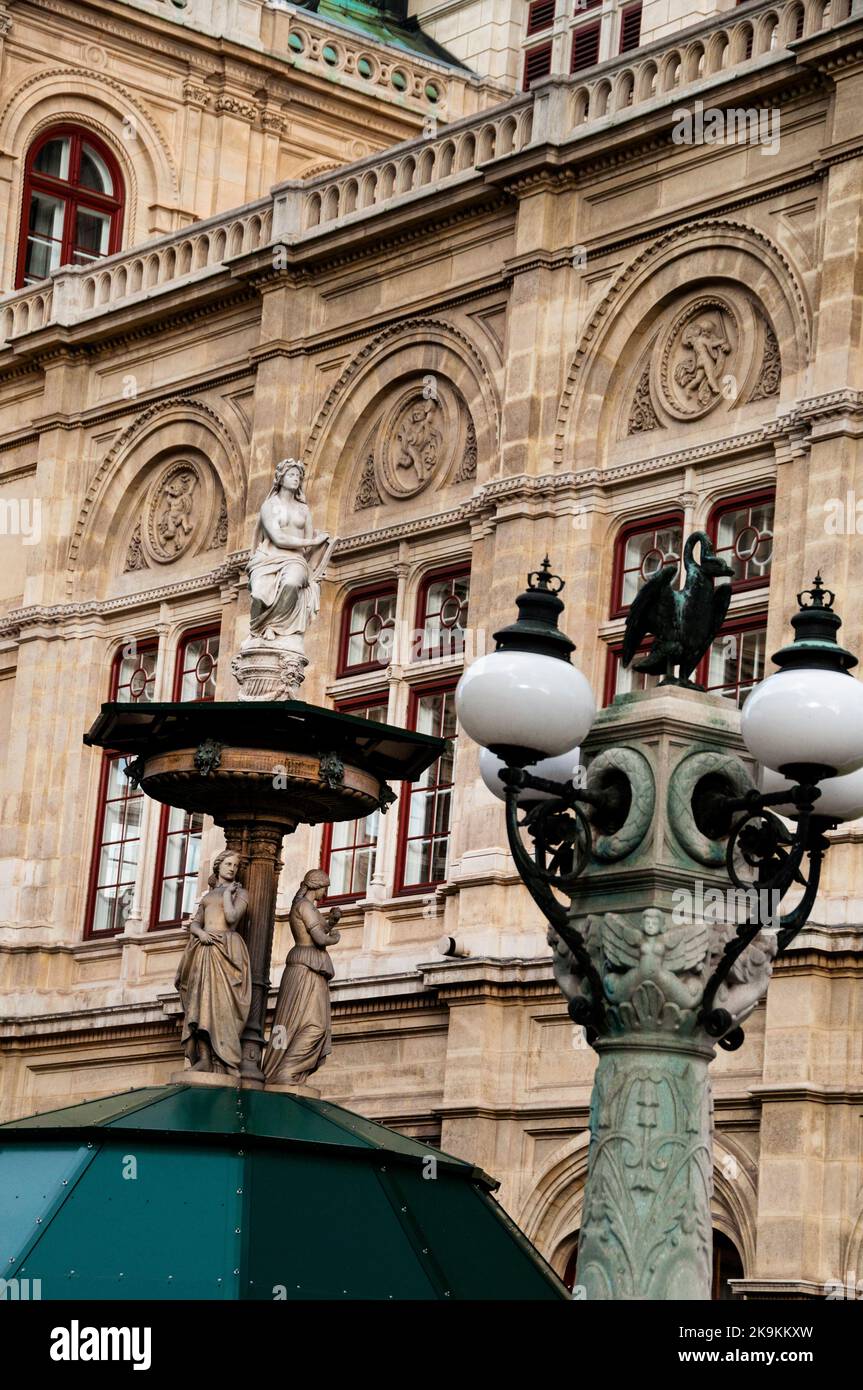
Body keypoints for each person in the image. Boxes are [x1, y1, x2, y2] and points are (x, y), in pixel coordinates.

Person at [175, 850, 251, 1075]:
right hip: (205, 952)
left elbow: (232, 918)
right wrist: (200, 934)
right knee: (199, 1006)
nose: (232, 868)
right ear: (218, 866)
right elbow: (195, 924)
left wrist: (228, 895)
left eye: (236, 866)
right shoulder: (207, 897)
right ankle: (205, 1058)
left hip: (227, 950)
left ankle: (226, 1058)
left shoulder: (241, 893)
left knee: (223, 1007)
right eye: (228, 864)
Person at [263, 868, 341, 1086]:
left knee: (310, 1024)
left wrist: (332, 922)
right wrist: (334, 937)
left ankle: (288, 1068)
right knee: (312, 1026)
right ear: (316, 886)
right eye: (325, 888)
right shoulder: (304, 906)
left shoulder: (308, 907)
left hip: (310, 966)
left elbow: (319, 929)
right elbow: (319, 937)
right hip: (306, 966)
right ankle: (286, 1069)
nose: (325, 894)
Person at [247, 458, 331, 643]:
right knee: (259, 595)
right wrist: (311, 540)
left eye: (298, 476)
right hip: (269, 557)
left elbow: (308, 547)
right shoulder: (269, 506)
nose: (295, 479)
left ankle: (274, 625)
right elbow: (278, 538)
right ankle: (257, 629)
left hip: (295, 560)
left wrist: (321, 543)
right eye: (291, 475)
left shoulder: (303, 509)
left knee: (291, 584)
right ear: (280, 478)